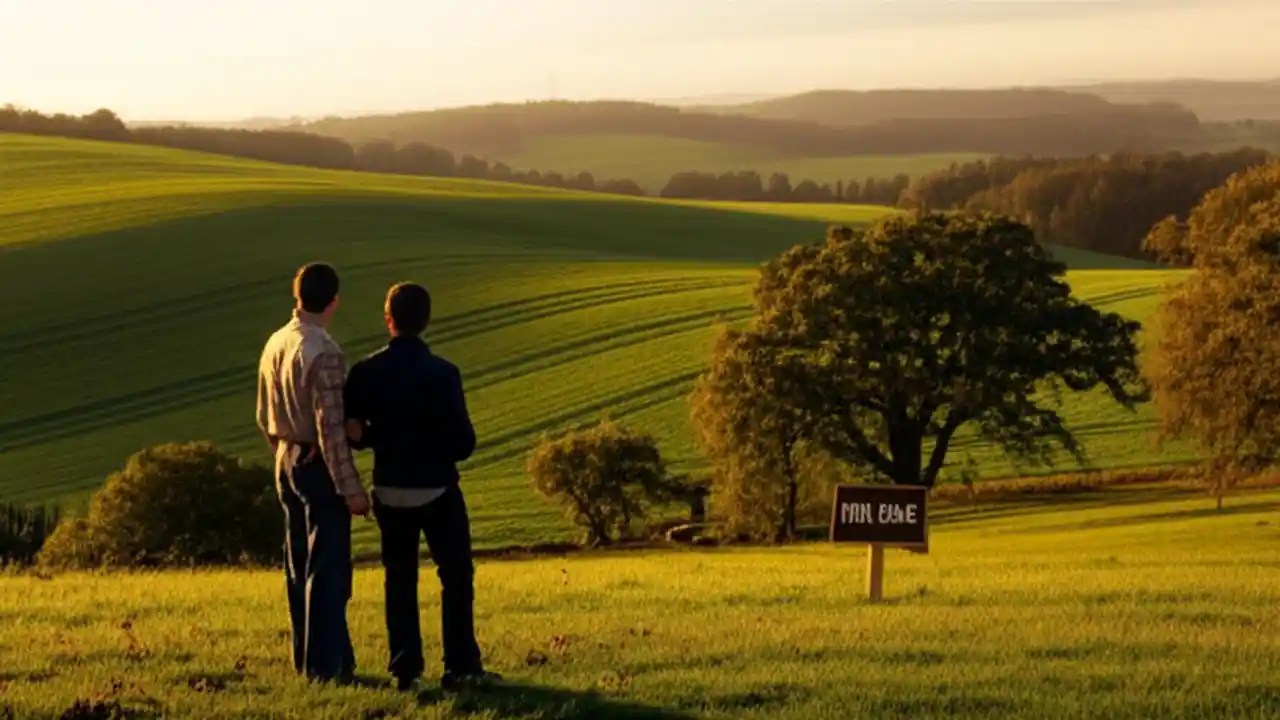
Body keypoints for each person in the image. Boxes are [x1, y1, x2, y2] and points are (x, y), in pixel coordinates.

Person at [344, 282, 499, 692]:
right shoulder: (443, 373)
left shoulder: (364, 372)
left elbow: (355, 433)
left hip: (389, 490)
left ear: (388, 319)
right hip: (436, 488)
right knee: (456, 576)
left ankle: (405, 668)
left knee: (399, 578)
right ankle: (461, 665)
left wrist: (382, 436)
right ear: (427, 320)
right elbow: (463, 443)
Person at [256, 262, 371, 683]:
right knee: (328, 573)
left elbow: (263, 413)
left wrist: (282, 450)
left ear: (296, 295)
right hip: (316, 465)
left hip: (285, 458)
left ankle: (310, 660)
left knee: (297, 566)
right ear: (335, 300)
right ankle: (327, 669)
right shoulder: (323, 353)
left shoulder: (275, 342)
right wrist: (351, 489)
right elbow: (331, 430)